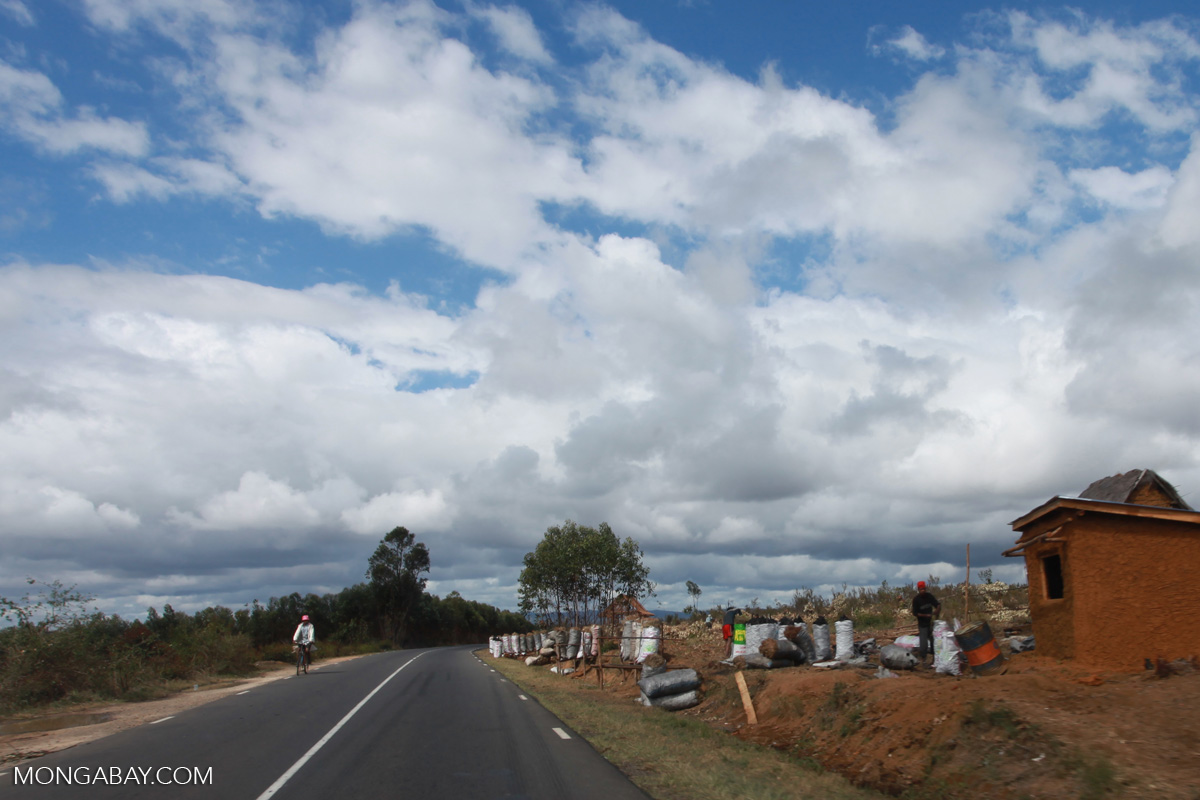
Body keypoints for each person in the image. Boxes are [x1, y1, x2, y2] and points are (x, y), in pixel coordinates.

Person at [911, 582, 941, 664]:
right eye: (921, 589)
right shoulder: (916, 600)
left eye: (924, 589)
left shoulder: (929, 596)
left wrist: (937, 611)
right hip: (922, 624)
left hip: (930, 623)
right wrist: (925, 615)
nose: (923, 591)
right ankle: (923, 659)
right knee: (923, 642)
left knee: (934, 640)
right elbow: (915, 613)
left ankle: (934, 657)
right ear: (918, 590)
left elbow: (937, 604)